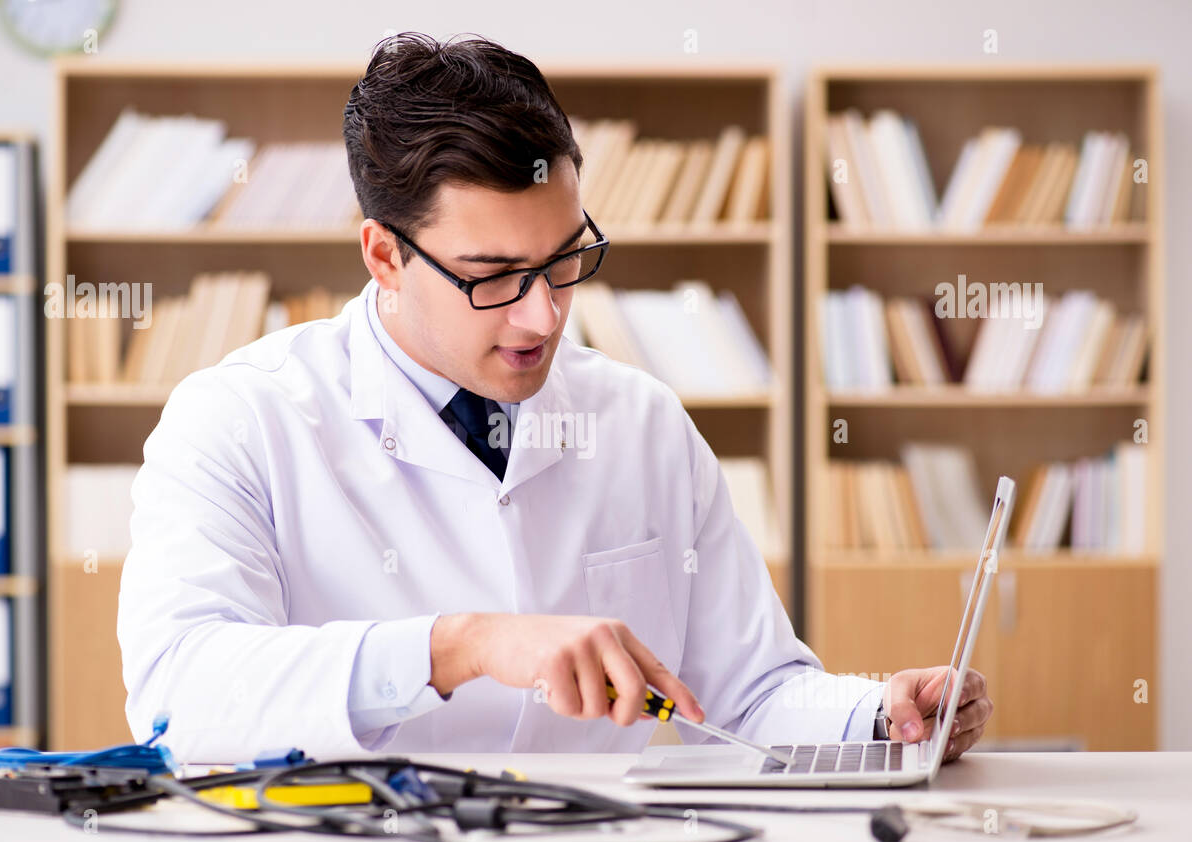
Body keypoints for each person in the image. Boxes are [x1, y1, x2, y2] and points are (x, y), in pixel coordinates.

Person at [117, 31, 992, 763]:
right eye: (494, 276)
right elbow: (176, 696)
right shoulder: (239, 419)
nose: (544, 314)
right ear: (384, 254)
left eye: (565, 259)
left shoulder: (641, 421)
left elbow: (748, 694)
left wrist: (882, 715)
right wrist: (463, 644)